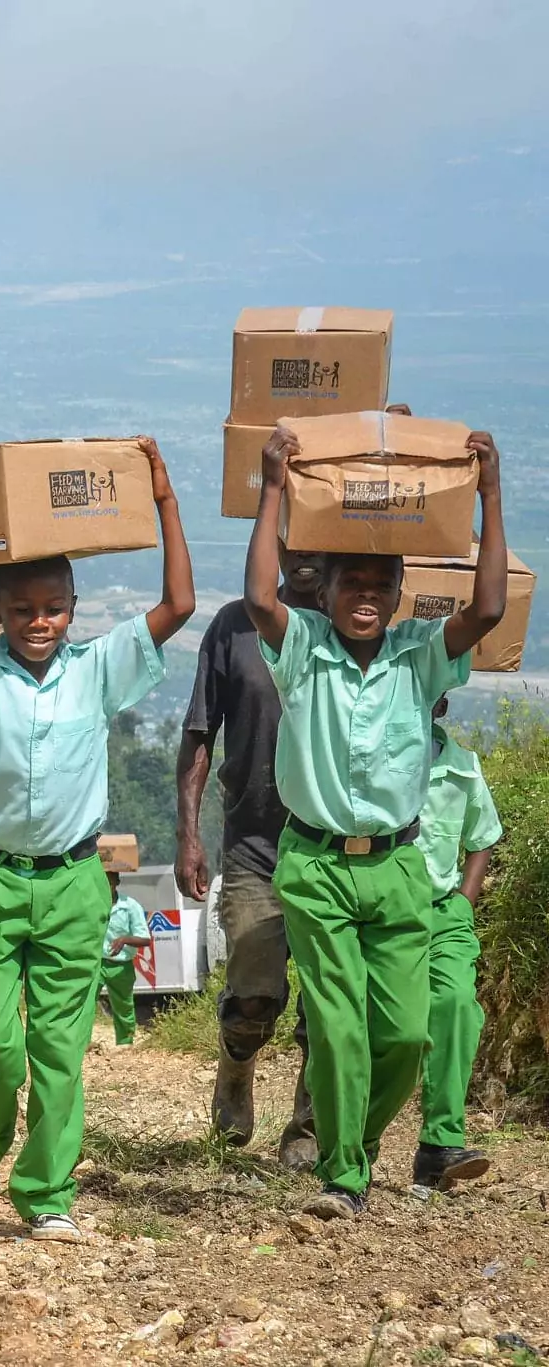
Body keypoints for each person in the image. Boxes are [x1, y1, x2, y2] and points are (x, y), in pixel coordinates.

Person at [0, 436, 195, 1242]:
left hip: (74, 883)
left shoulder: (97, 668)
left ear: (73, 609)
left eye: (53, 608)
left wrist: (165, 500)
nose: (39, 622)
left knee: (60, 1049)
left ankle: (45, 1192)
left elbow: (176, 604)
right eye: (23, 609)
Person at [244, 423, 507, 1219]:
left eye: (378, 586)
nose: (364, 597)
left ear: (398, 595)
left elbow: (490, 605)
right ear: (321, 592)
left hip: (398, 868)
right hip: (317, 863)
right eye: (348, 583)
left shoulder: (420, 654)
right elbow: (259, 596)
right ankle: (345, 1173)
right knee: (337, 1026)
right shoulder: (303, 649)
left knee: (403, 1033)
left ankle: (353, 1135)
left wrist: (490, 494)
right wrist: (272, 489)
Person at [175, 545, 321, 1166]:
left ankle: (310, 1125)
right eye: (295, 542)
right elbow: (199, 735)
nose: (307, 556)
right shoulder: (235, 625)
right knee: (255, 993)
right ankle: (236, 1070)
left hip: (331, 852)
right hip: (255, 845)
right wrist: (189, 835)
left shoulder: (356, 626)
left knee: (329, 998)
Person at [412, 693, 504, 1196]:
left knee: (454, 1006)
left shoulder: (461, 766)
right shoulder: (372, 758)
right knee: (386, 1031)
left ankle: (440, 1144)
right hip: (383, 914)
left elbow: (482, 834)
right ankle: (351, 1148)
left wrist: (466, 900)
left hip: (444, 912)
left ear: (440, 706)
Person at [100, 870, 151, 1047]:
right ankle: (83, 1043)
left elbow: (145, 939)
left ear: (117, 882)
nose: (106, 885)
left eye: (110, 881)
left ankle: (125, 1042)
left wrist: (124, 940)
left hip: (121, 965)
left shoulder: (130, 906)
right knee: (84, 1002)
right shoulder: (92, 905)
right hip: (96, 963)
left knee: (123, 1005)